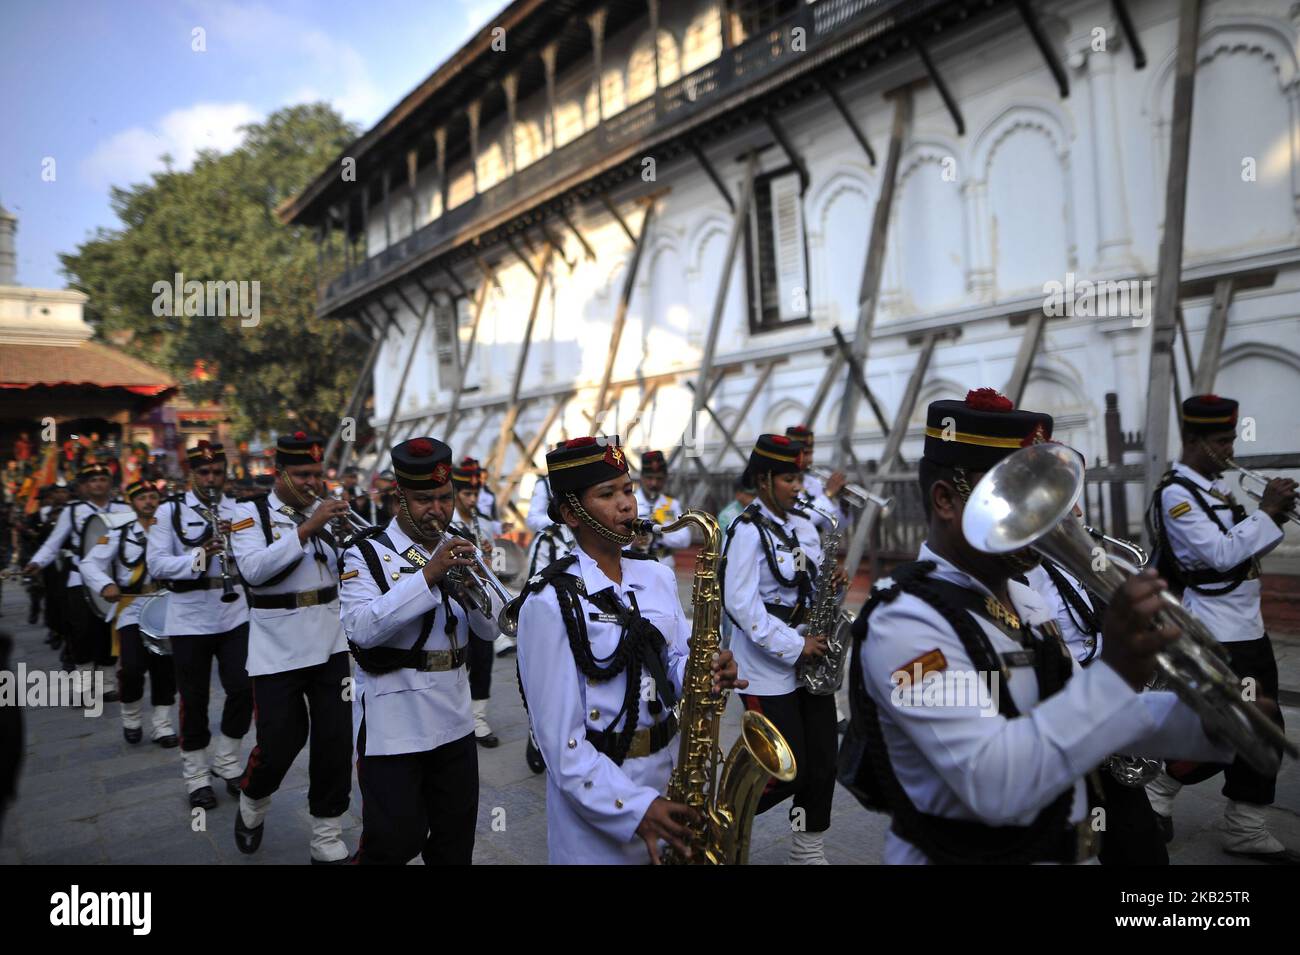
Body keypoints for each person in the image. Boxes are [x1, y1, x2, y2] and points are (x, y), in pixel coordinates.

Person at [846, 388, 1235, 864]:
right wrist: (1115, 673)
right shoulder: (904, 622)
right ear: (947, 500)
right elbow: (993, 784)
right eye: (1014, 496)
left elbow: (1077, 703)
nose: (1043, 518)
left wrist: (1209, 720)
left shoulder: (1024, 599)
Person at [513, 435, 743, 863]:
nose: (627, 505)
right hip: (599, 801)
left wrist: (703, 668)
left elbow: (671, 660)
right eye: (607, 494)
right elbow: (560, 745)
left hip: (670, 774)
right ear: (570, 513)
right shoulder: (549, 602)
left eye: (628, 489)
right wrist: (635, 809)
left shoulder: (656, 576)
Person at [1143, 393, 1299, 863]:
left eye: (1232, 437)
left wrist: (1263, 520)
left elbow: (1241, 553)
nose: (1230, 449)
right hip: (1214, 631)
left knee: (1258, 723)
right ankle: (1163, 787)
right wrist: (1268, 512)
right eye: (1221, 440)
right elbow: (1219, 556)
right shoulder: (1177, 495)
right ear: (1193, 440)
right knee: (1241, 726)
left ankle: (1239, 822)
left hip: (1245, 627)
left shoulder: (1212, 490)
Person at [339, 437, 499, 865]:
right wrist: (429, 574)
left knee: (454, 842)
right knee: (395, 840)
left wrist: (473, 589)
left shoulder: (459, 544)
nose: (438, 510)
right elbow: (361, 628)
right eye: (424, 499)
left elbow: (488, 632)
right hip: (396, 719)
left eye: (445, 498)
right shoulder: (365, 552)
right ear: (400, 498)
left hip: (454, 714)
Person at [227, 432, 354, 863]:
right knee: (280, 740)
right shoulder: (249, 513)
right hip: (276, 644)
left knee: (336, 739)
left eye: (317, 474)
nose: (312, 482)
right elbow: (254, 570)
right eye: (302, 474)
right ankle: (253, 799)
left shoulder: (322, 512)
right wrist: (308, 528)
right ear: (278, 472)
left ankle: (326, 832)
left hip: (331, 639)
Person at [722, 433, 839, 863]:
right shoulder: (746, 532)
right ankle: (721, 823)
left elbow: (809, 578)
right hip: (766, 664)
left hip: (809, 656)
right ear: (765, 479)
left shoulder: (802, 524)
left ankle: (807, 848)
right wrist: (795, 645)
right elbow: (741, 606)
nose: (799, 486)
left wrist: (830, 582)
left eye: (800, 476)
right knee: (784, 771)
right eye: (790, 478)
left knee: (823, 761)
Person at [146, 441, 252, 810]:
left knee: (243, 688)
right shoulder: (168, 512)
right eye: (204, 473)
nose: (211, 479)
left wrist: (235, 543)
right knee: (194, 699)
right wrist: (200, 554)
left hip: (234, 612)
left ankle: (227, 759)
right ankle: (196, 776)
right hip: (189, 617)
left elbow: (256, 560)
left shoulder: (240, 510)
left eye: (217, 472)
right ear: (192, 474)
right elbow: (156, 565)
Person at [79, 479, 177, 747]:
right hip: (132, 607)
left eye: (153, 496)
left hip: (167, 604)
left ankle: (162, 725)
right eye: (142, 497)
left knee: (165, 668)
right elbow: (88, 564)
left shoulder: (172, 529)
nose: (149, 501)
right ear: (132, 503)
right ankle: (131, 718)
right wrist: (106, 584)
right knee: (133, 667)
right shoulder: (118, 533)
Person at [24, 463, 132, 702]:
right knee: (81, 632)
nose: (98, 484)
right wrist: (37, 562)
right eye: (93, 481)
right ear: (84, 486)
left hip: (113, 579)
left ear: (110, 483)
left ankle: (107, 684)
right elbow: (54, 542)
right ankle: (83, 687)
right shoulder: (72, 511)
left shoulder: (124, 509)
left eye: (103, 479)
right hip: (79, 579)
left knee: (108, 631)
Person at [448, 460, 499, 748]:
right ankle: (456, 715)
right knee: (457, 657)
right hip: (456, 597)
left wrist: (489, 558)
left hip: (479, 600)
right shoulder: (446, 523)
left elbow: (492, 566)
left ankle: (478, 717)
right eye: (466, 494)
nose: (472, 500)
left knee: (484, 658)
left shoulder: (484, 522)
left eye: (475, 494)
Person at [629, 450, 690, 567]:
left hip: (664, 565)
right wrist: (633, 543)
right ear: (641, 477)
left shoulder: (672, 504)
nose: (654, 483)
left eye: (659, 479)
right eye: (649, 478)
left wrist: (660, 533)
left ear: (665, 478)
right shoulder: (631, 502)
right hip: (635, 565)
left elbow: (685, 539)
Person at [785, 425, 846, 531]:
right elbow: (798, 522)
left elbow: (831, 526)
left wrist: (844, 506)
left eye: (811, 453)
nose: (810, 460)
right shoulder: (781, 483)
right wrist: (828, 494)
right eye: (805, 454)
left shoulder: (813, 483)